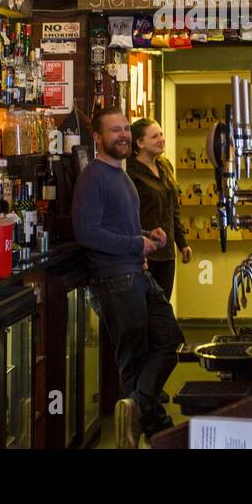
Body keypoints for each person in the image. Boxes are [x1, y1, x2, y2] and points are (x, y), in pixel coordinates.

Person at [72, 106, 185, 447]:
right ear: (98, 138)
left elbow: (119, 227)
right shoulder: (92, 177)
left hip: (136, 271)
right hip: (115, 279)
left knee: (169, 339)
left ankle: (136, 408)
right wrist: (135, 243)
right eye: (114, 130)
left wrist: (148, 234)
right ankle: (156, 429)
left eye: (124, 129)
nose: (121, 135)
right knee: (133, 357)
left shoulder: (120, 175)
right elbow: (87, 233)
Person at [127, 118, 192, 300]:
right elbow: (128, 215)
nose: (161, 139)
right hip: (145, 255)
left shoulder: (165, 166)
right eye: (154, 136)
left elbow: (174, 209)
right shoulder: (131, 172)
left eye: (161, 134)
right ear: (140, 143)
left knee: (163, 306)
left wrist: (182, 243)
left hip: (167, 254)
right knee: (147, 310)